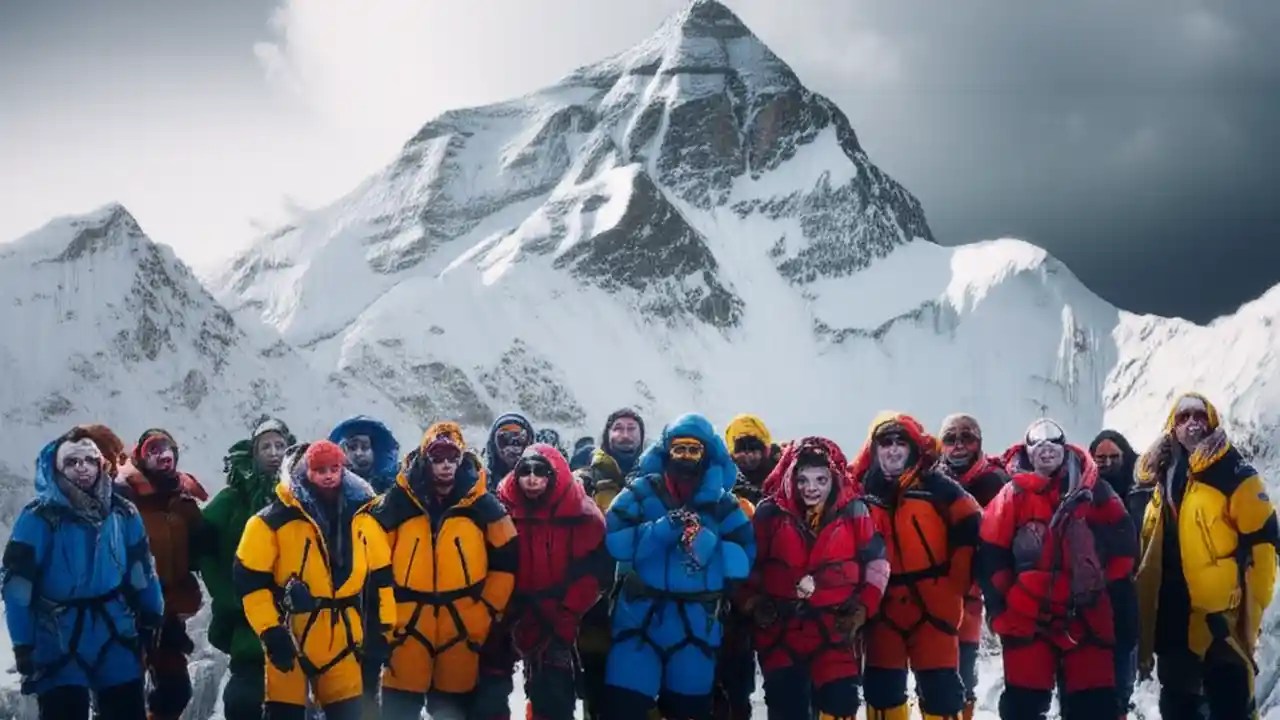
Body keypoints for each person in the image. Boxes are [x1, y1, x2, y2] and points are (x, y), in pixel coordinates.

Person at [2, 428, 164, 720]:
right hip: (56, 635)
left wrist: (153, 614)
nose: (82, 468)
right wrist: (23, 644)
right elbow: (17, 586)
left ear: (101, 465)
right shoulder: (38, 518)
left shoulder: (123, 513)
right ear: (57, 469)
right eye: (72, 462)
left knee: (127, 709)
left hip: (113, 630)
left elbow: (141, 571)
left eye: (89, 460)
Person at [979, 418, 1136, 719]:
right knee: (1023, 707)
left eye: (1053, 443)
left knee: (1093, 707)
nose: (1046, 450)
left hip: (1087, 615)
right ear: (1027, 451)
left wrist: (1102, 584)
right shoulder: (1011, 496)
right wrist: (1005, 606)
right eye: (1038, 444)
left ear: (1065, 448)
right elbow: (991, 554)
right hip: (1028, 617)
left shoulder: (1094, 488)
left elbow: (1124, 543)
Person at [1134, 393, 1278, 719]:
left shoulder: (1235, 473)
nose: (1192, 424)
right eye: (1183, 417)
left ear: (1212, 421)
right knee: (1177, 703)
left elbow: (1264, 544)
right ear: (1173, 425)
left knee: (1231, 702)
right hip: (1172, 613)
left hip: (1221, 618)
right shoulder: (1160, 477)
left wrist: (1250, 613)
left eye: (1199, 416)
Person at [603, 412, 756, 720]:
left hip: (695, 627)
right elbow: (615, 541)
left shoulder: (724, 505)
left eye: (693, 449)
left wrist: (706, 543)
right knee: (624, 707)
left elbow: (743, 560)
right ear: (666, 451)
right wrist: (661, 530)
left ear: (707, 453)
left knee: (689, 711)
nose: (685, 457)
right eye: (679, 449)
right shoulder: (640, 493)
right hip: (640, 621)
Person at [233, 440, 396, 720]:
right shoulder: (271, 521)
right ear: (306, 471)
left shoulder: (363, 517)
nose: (329, 475)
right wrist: (270, 631)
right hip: (291, 634)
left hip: (345, 638)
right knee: (284, 714)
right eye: (320, 470)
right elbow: (249, 581)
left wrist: (384, 632)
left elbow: (382, 581)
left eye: (334, 468)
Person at [371, 422, 518, 720]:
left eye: (453, 459)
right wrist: (382, 616)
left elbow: (507, 561)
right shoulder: (398, 501)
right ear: (426, 459)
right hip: (406, 626)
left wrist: (486, 611)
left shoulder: (483, 505)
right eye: (438, 458)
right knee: (398, 711)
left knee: (453, 712)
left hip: (461, 625)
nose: (446, 466)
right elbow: (373, 561)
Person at [849, 412, 979, 720]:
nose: (893, 450)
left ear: (913, 449)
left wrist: (956, 583)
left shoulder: (939, 487)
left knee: (943, 694)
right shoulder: (861, 491)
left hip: (933, 609)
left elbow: (972, 522)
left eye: (900, 443)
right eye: (885, 443)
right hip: (882, 610)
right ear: (874, 449)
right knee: (882, 693)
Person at [748, 437, 889, 720]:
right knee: (787, 706)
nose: (810, 488)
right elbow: (749, 565)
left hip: (835, 630)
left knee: (842, 702)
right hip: (781, 632)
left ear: (833, 480)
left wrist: (863, 608)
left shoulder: (855, 512)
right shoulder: (769, 513)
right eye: (802, 480)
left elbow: (877, 563)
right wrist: (752, 602)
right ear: (790, 478)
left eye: (820, 480)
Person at [495, 443, 609, 720]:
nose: (532, 479)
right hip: (509, 614)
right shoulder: (501, 511)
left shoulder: (583, 515)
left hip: (558, 619)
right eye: (525, 471)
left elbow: (596, 572)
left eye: (540, 472)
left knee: (555, 698)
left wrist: (568, 612)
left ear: (554, 475)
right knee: (488, 694)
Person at [199, 416, 296, 718]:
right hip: (247, 620)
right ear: (253, 454)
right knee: (243, 700)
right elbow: (201, 544)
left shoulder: (305, 495)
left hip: (298, 617)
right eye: (265, 446)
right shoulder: (234, 499)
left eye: (280, 445)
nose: (273, 452)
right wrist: (225, 595)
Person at [114, 429, 210, 720]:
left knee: (175, 690)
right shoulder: (121, 496)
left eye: (167, 449)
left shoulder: (182, 500)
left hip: (168, 610)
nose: (162, 456)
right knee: (122, 692)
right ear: (140, 456)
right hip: (126, 608)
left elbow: (202, 544)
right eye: (152, 450)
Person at [574, 407, 647, 720]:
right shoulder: (586, 479)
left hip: (644, 602)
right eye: (619, 428)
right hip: (595, 604)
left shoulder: (656, 479)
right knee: (597, 690)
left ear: (642, 437)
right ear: (607, 435)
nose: (625, 434)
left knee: (638, 694)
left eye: (632, 428)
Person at [935, 413, 1008, 719]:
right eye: (950, 439)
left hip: (973, 594)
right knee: (934, 671)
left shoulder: (996, 482)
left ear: (980, 443)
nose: (959, 446)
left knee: (964, 670)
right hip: (934, 590)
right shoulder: (929, 481)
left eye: (967, 438)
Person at [1089, 429, 1141, 716]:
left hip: (1126, 596)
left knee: (1121, 679)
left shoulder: (1142, 493)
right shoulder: (1080, 494)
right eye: (1100, 458)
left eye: (1114, 457)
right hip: (1087, 599)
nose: (1107, 464)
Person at [329, 415, 401, 494]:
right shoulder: (333, 485)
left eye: (365, 447)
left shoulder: (393, 483)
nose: (358, 453)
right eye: (352, 447)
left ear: (376, 451)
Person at [486, 413, 536, 491]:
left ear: (530, 443)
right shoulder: (484, 481)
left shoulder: (541, 477)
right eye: (504, 440)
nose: (512, 448)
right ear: (493, 446)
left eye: (520, 440)